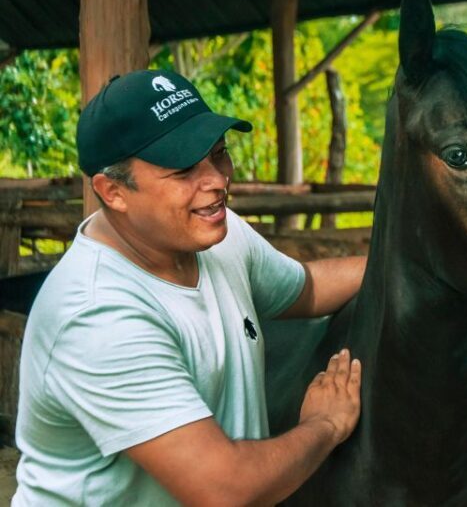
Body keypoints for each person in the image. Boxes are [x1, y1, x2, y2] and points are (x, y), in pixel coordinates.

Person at [14, 69, 366, 505]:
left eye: (218, 153)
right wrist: (325, 425)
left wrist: (431, 267)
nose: (217, 180)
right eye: (183, 169)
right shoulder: (97, 315)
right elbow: (225, 489)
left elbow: (306, 287)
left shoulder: (219, 236)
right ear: (113, 191)